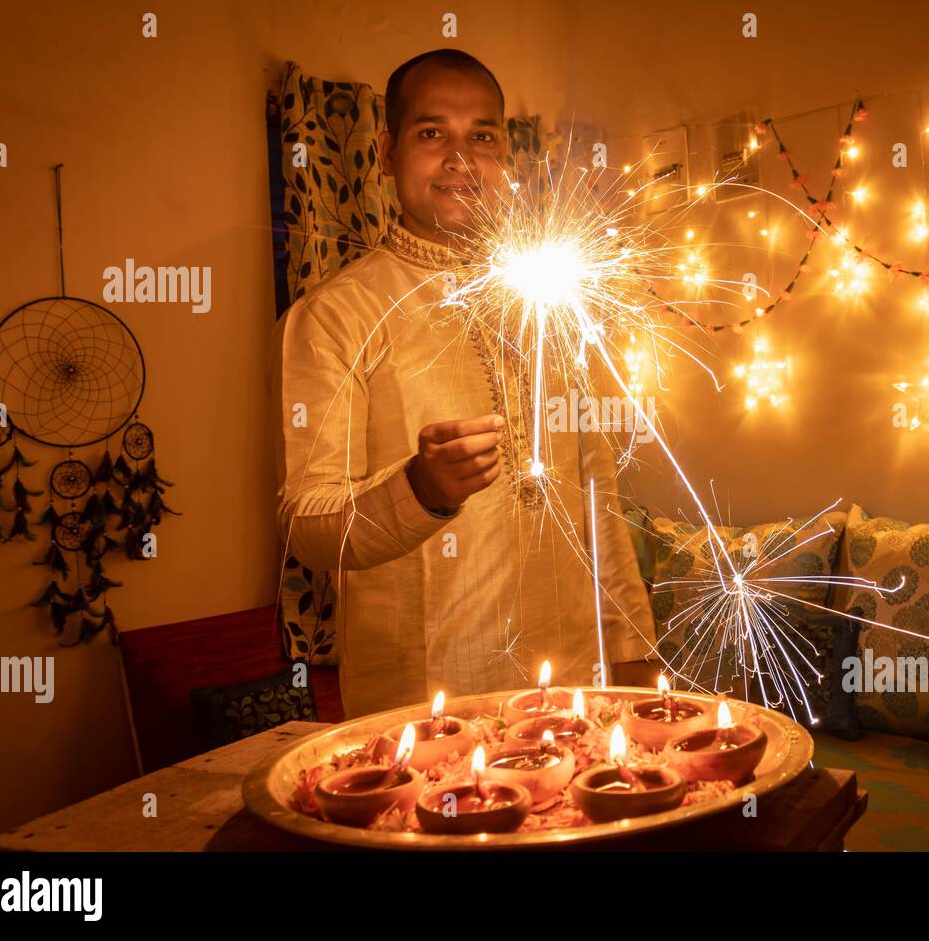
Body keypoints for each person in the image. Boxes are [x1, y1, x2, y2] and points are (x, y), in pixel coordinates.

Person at [269, 49, 658, 717]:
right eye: (431, 134)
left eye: (482, 136)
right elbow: (307, 525)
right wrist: (418, 491)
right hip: (428, 704)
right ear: (387, 151)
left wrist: (635, 652)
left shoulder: (549, 305)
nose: (460, 158)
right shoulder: (334, 316)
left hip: (576, 694)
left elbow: (598, 494)